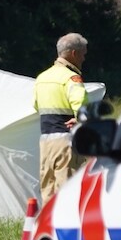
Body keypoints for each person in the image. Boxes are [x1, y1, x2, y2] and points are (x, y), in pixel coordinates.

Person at [34, 32, 89, 204]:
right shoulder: (71, 78)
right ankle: (67, 230)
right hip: (66, 142)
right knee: (67, 193)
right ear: (74, 54)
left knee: (48, 192)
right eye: (83, 54)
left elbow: (37, 106)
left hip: (45, 142)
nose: (84, 59)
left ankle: (47, 229)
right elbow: (82, 106)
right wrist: (82, 120)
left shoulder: (41, 78)